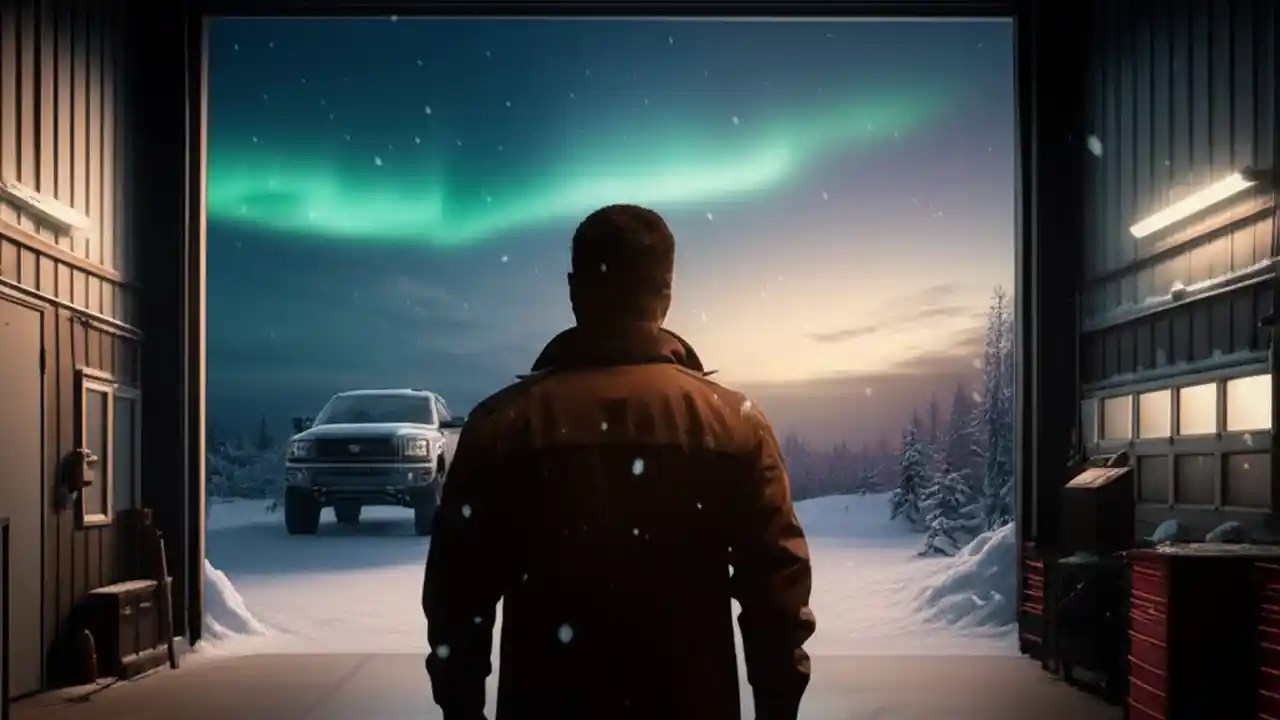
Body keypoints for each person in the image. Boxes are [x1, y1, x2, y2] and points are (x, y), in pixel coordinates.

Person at [422, 204, 815, 720]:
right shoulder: (734, 424)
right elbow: (777, 597)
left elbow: (456, 601)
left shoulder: (501, 426)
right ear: (666, 291)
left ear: (574, 290)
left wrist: (461, 708)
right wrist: (777, 706)